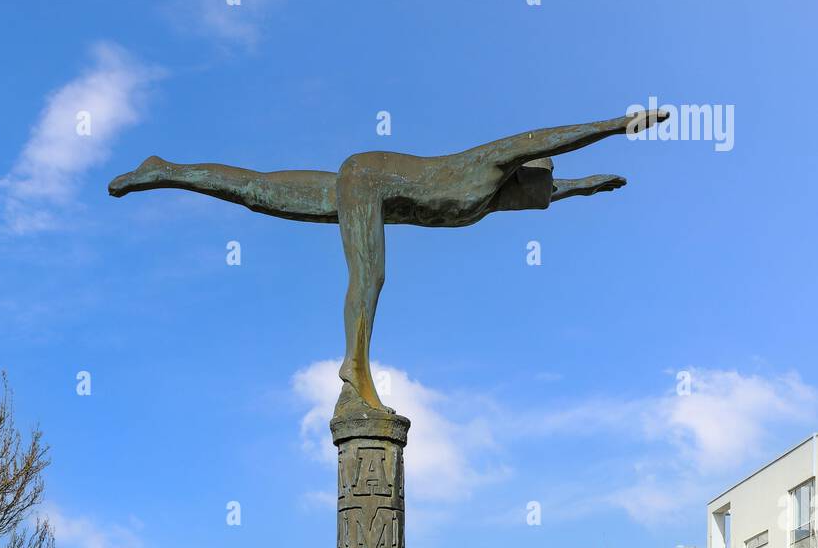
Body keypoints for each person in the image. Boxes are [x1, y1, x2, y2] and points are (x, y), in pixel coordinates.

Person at [109, 108, 667, 411]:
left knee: (261, 191)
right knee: (371, 275)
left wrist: (588, 187)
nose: (536, 195)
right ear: (524, 170)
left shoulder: (491, 202)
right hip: (371, 177)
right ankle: (354, 367)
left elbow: (556, 188)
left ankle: (168, 170)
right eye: (539, 183)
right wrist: (620, 126)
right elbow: (550, 135)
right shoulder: (486, 168)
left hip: (369, 182)